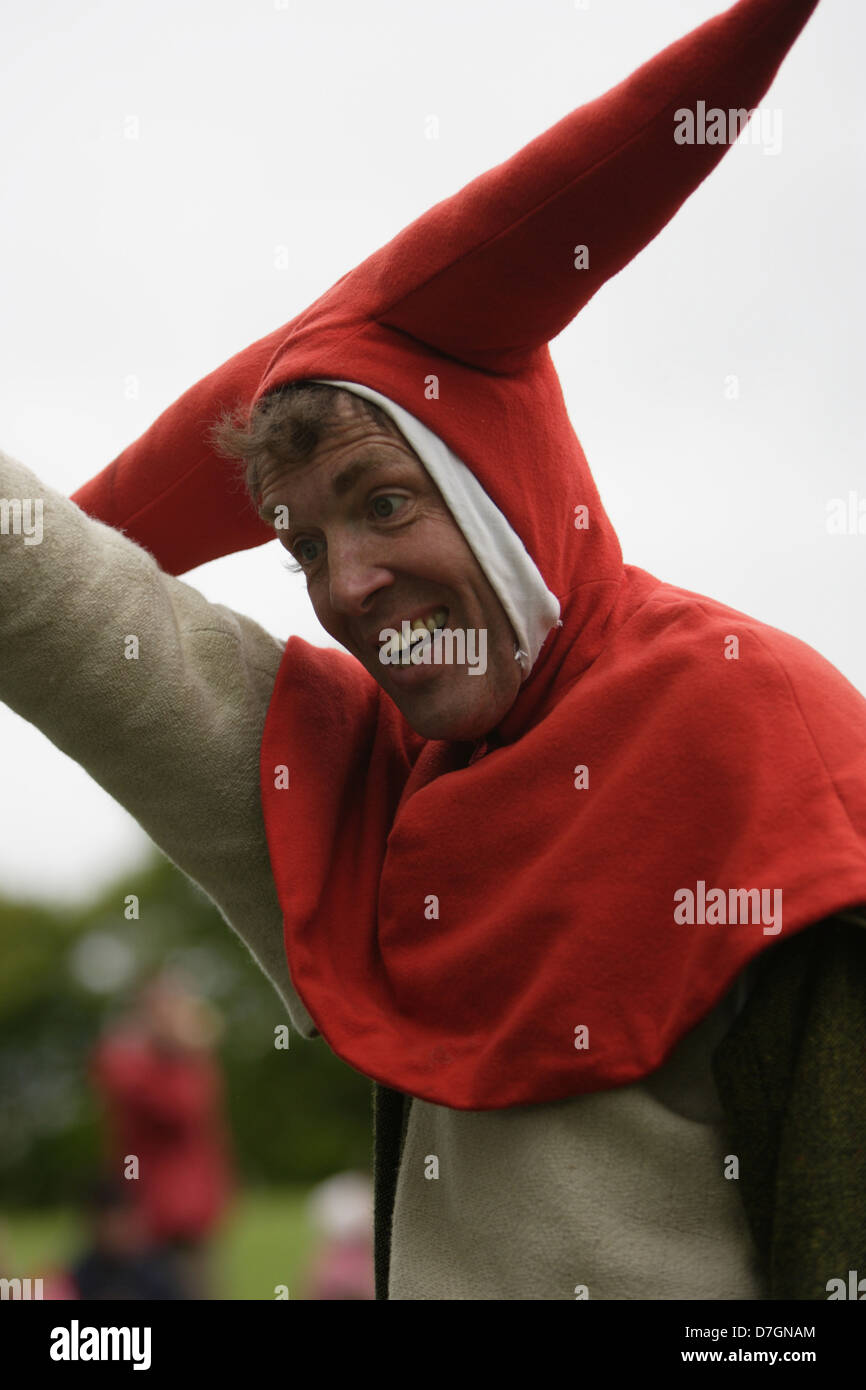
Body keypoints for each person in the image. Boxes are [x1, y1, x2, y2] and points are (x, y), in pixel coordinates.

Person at [2, 0, 865, 1299]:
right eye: (299, 545)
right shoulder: (369, 779)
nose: (345, 585)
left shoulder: (765, 728)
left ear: (508, 486)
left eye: (385, 501)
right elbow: (68, 609)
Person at [89, 973, 235, 1298]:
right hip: (148, 1215)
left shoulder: (183, 1063)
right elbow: (174, 1108)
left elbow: (195, 1108)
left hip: (188, 1217)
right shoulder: (140, 1063)